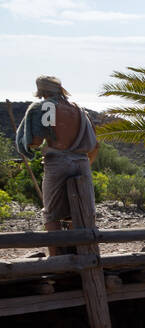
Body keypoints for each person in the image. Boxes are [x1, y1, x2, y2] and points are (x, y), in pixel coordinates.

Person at [14, 75, 99, 258]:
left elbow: (39, 139)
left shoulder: (48, 107)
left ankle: (56, 257)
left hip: (59, 163)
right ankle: (85, 252)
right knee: (82, 208)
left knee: (51, 212)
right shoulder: (78, 109)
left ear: (41, 90)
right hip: (82, 163)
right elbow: (93, 143)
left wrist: (25, 141)